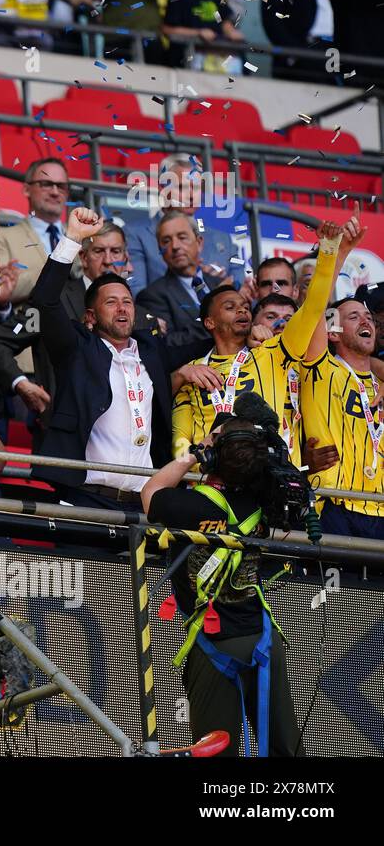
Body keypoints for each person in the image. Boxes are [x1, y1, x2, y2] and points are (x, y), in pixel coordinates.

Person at [142, 405, 305, 757]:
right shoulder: (269, 504)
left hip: (213, 644)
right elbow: (300, 502)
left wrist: (193, 453)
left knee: (215, 752)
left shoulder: (194, 505)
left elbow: (151, 492)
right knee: (284, 749)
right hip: (264, 639)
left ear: (214, 456)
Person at [30, 208, 208, 513]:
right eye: (110, 303)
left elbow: (207, 333)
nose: (122, 309)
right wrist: (72, 238)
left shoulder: (150, 350)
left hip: (143, 504)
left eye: (127, 301)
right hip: (85, 499)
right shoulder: (78, 348)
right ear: (90, 317)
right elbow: (46, 299)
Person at [172, 218, 353, 468]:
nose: (242, 311)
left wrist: (330, 252)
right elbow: (180, 438)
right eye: (230, 307)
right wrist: (196, 471)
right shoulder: (192, 372)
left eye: (246, 307)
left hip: (266, 484)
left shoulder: (273, 353)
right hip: (211, 483)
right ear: (210, 322)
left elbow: (312, 309)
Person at [0, 218, 157, 425]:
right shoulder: (54, 302)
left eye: (115, 252)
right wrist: (21, 384)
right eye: (98, 251)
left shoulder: (140, 315)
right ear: (83, 258)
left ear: (126, 257)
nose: (107, 260)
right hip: (62, 433)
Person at [304, 298, 384, 539]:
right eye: (353, 317)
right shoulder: (321, 371)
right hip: (336, 506)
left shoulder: (379, 384)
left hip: (380, 506)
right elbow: (316, 311)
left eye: (368, 317)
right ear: (333, 333)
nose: (365, 320)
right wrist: (335, 259)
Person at [123, 154, 246, 292]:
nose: (192, 195)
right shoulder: (136, 234)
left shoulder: (222, 239)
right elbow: (138, 294)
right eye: (182, 187)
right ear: (162, 189)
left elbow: (242, 286)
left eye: (197, 187)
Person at [136, 211, 233, 347]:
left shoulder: (220, 286)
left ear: (199, 243)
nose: (175, 246)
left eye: (182, 237)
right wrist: (215, 310)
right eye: (166, 241)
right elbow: (167, 343)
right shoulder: (151, 296)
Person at [0, 157, 72, 304]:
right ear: (26, 189)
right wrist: (59, 269)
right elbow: (1, 291)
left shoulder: (81, 237)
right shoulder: (2, 237)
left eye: (61, 186)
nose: (55, 192)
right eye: (46, 184)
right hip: (29, 324)